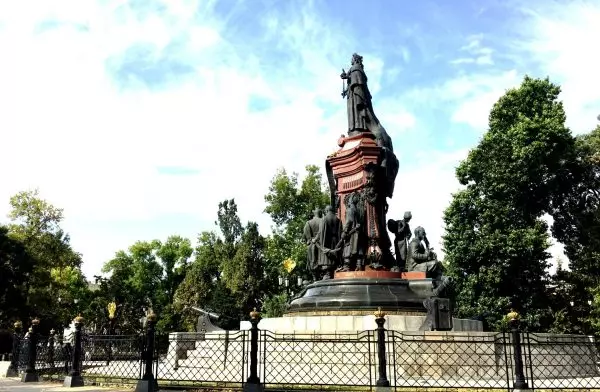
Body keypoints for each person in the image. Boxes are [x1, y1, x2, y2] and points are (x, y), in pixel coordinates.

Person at [315, 205, 343, 279]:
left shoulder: (324, 219)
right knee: (334, 258)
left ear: (326, 211)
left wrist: (316, 240)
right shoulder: (338, 220)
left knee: (328, 259)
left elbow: (321, 232)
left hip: (326, 241)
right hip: (336, 241)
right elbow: (340, 232)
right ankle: (333, 271)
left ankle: (327, 273)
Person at [302, 208, 322, 281]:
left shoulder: (309, 223)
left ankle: (315, 277)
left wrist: (309, 240)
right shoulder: (323, 221)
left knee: (313, 261)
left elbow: (305, 236)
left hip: (312, 245)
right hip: (322, 245)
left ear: (314, 213)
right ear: (320, 213)